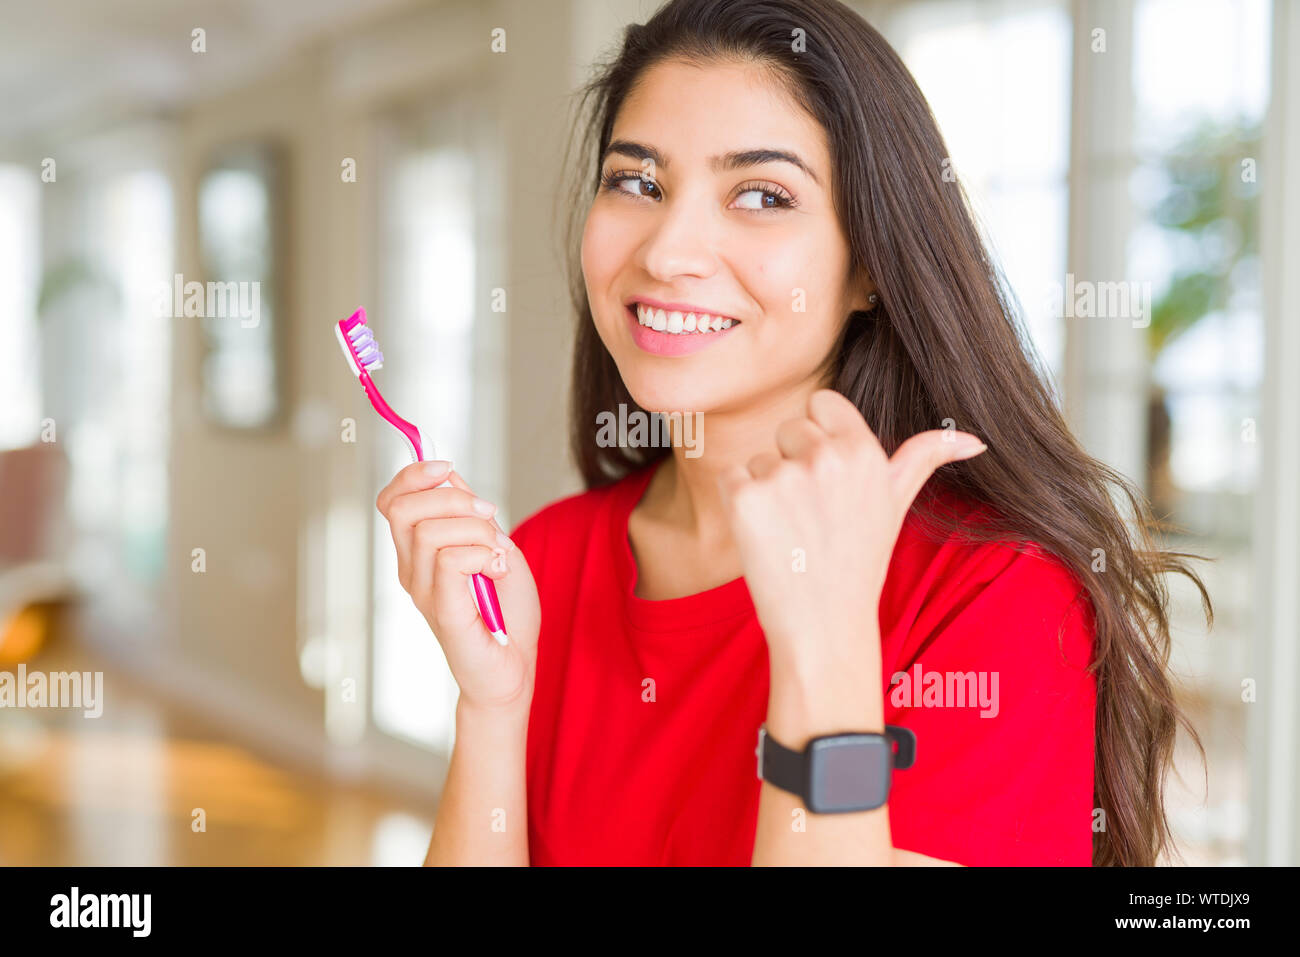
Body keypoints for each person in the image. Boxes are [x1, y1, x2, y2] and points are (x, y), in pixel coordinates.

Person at [378, 0, 1211, 866]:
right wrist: (493, 705)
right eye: (638, 181)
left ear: (871, 266)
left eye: (763, 195)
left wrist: (825, 640)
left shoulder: (993, 596)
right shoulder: (544, 566)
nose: (668, 251)